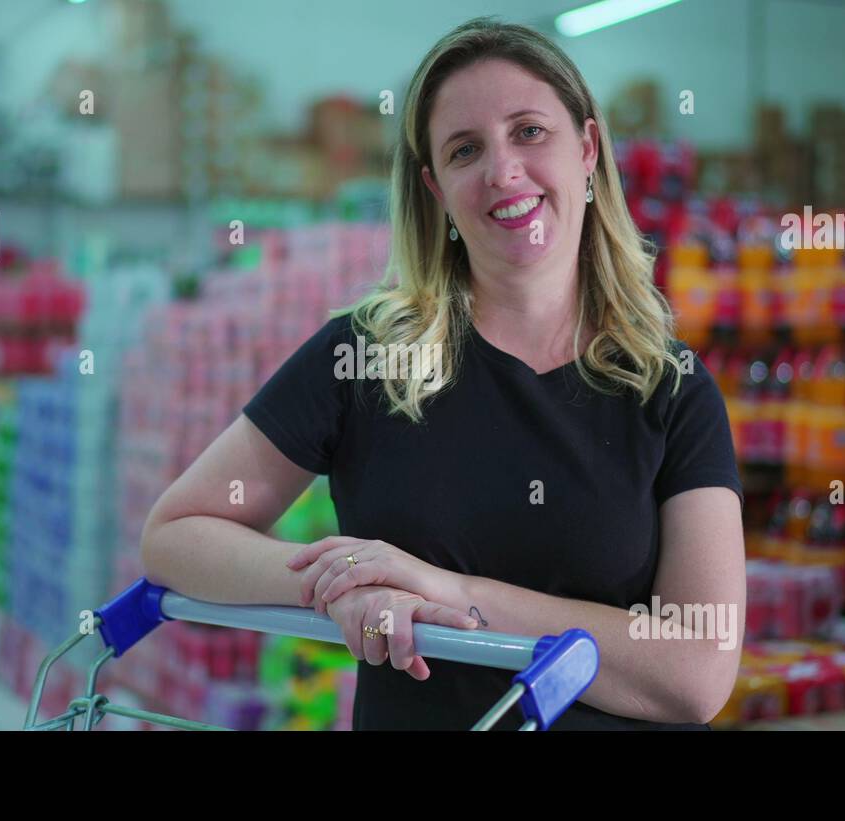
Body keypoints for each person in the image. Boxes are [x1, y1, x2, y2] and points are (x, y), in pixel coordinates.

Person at [141, 16, 745, 730]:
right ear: (437, 189)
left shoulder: (670, 389)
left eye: (529, 131)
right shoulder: (366, 357)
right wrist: (341, 585)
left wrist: (452, 593)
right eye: (466, 150)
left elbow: (697, 670)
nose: (502, 170)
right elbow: (175, 534)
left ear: (587, 149)